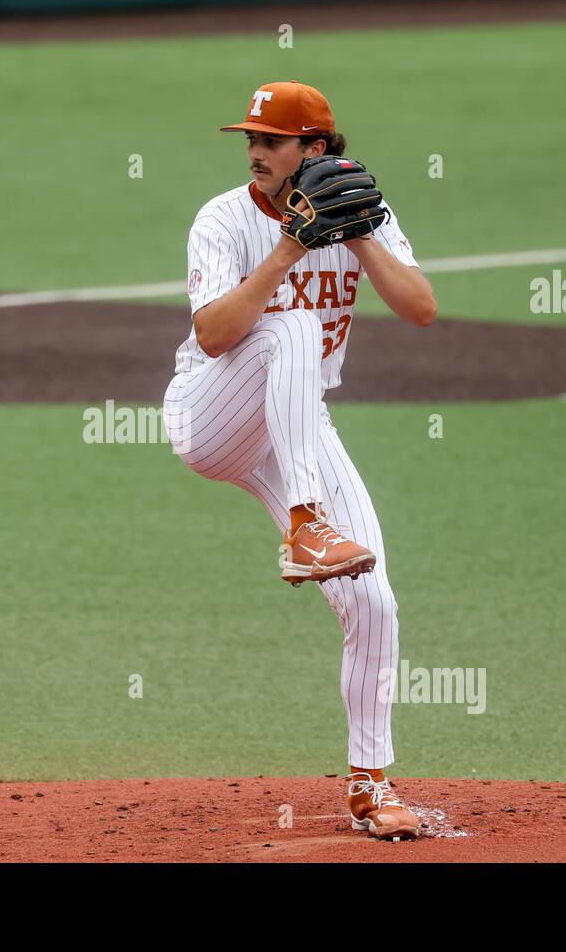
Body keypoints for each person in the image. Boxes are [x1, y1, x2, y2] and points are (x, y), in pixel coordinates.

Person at [162, 80, 437, 841]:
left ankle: (369, 784)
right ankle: (305, 525)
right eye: (250, 138)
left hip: (294, 427)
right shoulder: (222, 218)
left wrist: (359, 238)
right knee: (290, 330)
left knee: (374, 600)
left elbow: (420, 307)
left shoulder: (362, 213)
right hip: (211, 413)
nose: (253, 151)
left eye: (271, 141)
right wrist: (289, 246)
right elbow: (216, 336)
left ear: (314, 150)